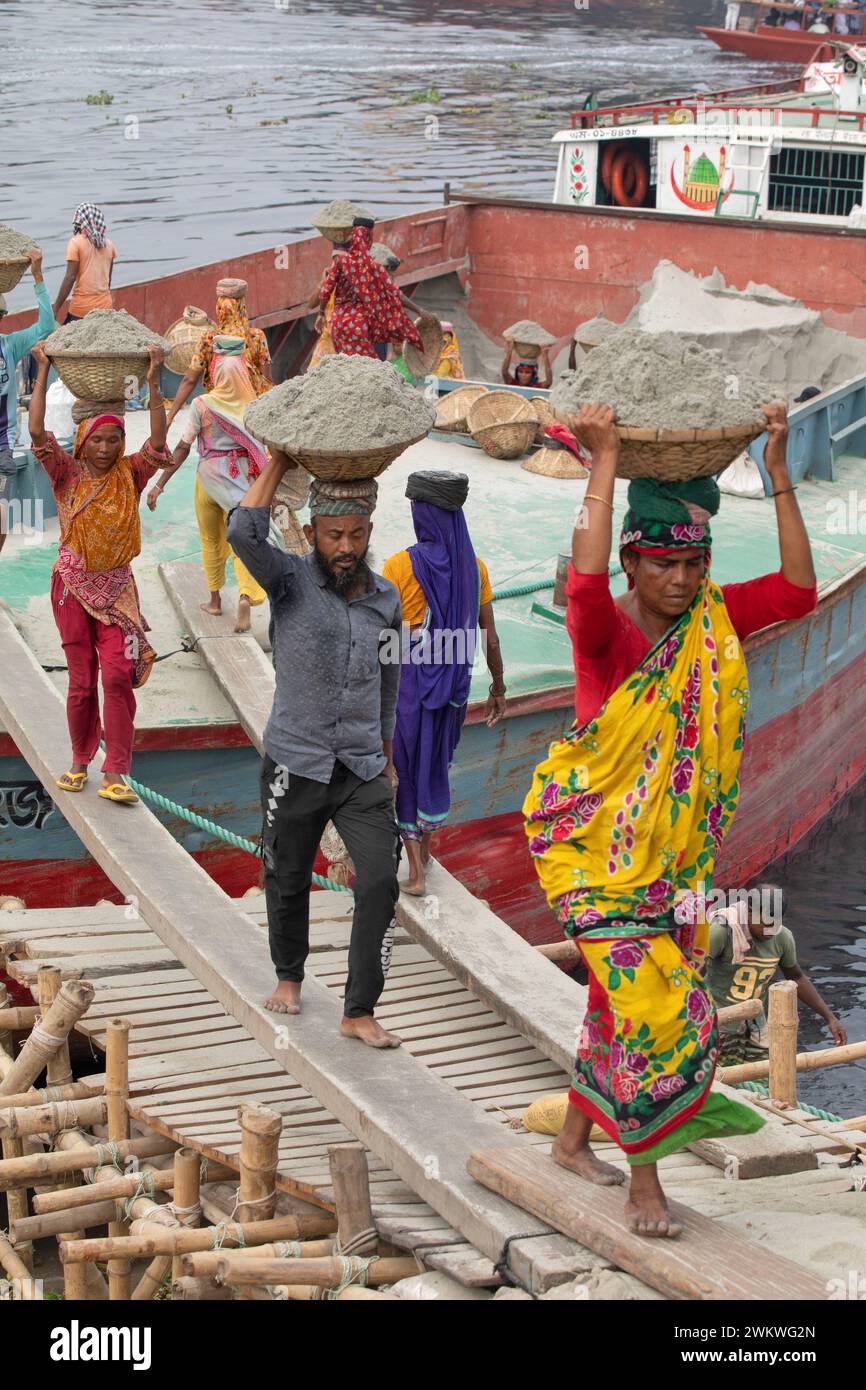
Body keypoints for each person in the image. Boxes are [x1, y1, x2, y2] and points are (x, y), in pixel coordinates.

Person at [523, 401, 817, 1238]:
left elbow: (798, 592)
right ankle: (642, 1186)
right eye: (661, 565)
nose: (680, 581)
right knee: (659, 1008)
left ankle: (573, 1142)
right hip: (588, 857)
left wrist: (780, 473)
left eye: (694, 564)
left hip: (671, 870)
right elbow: (581, 581)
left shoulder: (712, 623)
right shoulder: (605, 633)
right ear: (632, 562)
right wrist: (604, 462)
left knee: (614, 1007)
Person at [227, 457, 403, 1048]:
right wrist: (277, 460)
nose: (346, 546)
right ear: (312, 534)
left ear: (370, 533)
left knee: (379, 879)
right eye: (334, 535)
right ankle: (289, 977)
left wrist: (387, 754)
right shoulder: (289, 580)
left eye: (356, 534)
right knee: (286, 873)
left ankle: (359, 1010)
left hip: (361, 766)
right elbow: (241, 531)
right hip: (296, 760)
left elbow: (389, 681)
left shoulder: (385, 598)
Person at [28, 341, 169, 803]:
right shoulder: (65, 474)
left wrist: (152, 380)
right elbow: (36, 432)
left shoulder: (132, 474)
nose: (106, 448)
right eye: (97, 440)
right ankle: (79, 759)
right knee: (82, 679)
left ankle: (117, 771)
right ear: (82, 440)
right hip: (70, 589)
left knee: (116, 675)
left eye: (113, 440)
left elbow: (159, 444)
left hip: (118, 593)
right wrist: (43, 369)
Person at [383, 471, 506, 897]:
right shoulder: (476, 568)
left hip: (410, 686)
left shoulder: (400, 566)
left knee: (405, 768)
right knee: (434, 765)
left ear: (421, 514)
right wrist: (498, 687)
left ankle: (414, 869)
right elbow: (488, 634)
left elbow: (385, 638)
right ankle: (427, 853)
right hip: (455, 686)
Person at [146, 335, 275, 633]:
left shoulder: (202, 405)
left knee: (211, 540)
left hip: (207, 479)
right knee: (243, 539)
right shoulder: (253, 406)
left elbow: (181, 448)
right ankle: (246, 595)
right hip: (243, 482)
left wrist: (159, 485)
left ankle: (215, 601)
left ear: (215, 370)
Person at [708, 885, 847, 1064]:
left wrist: (830, 1018)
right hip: (719, 1024)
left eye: (777, 923)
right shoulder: (721, 931)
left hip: (756, 1024)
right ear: (750, 912)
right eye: (766, 924)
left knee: (766, 1079)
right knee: (720, 1079)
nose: (772, 930)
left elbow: (796, 977)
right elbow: (693, 972)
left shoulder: (782, 938)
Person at [0, 249, 56, 554]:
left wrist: (37, 276)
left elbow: (46, 327)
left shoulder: (9, 346)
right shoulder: (9, 346)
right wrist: (35, 276)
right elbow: (46, 326)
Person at [314, 219, 423, 360]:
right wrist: (419, 310)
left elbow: (325, 291)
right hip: (363, 326)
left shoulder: (341, 261)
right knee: (371, 365)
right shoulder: (373, 267)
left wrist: (321, 313)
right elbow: (395, 293)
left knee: (347, 363)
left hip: (340, 325)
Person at [166, 281, 271, 427]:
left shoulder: (208, 340)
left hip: (219, 412)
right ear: (242, 307)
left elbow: (189, 380)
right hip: (250, 414)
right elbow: (265, 381)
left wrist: (170, 416)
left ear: (220, 309)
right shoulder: (257, 337)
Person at [53, 205, 117, 322]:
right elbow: (108, 281)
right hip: (106, 309)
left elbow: (70, 277)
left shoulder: (75, 243)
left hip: (81, 310)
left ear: (80, 222)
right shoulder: (109, 245)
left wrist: (56, 307)